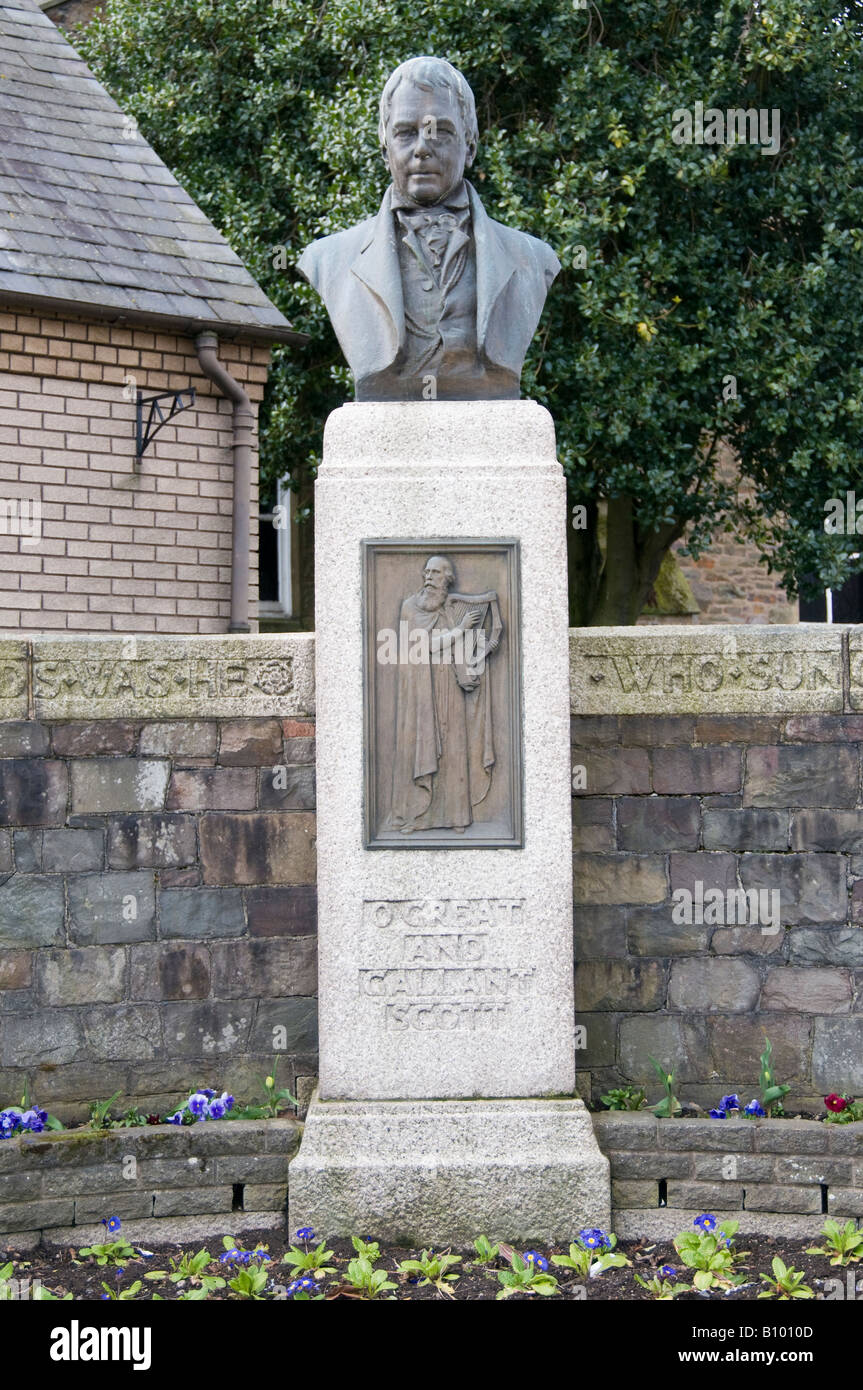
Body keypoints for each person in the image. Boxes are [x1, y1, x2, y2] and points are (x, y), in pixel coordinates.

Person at [297, 56, 560, 400]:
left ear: (470, 147)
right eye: (406, 133)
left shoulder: (533, 260)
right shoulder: (328, 259)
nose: (422, 148)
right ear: (384, 149)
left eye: (441, 132)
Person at [390, 554, 501, 833]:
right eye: (426, 572)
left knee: (453, 749)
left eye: (436, 573)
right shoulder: (410, 608)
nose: (429, 578)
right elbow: (424, 644)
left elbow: (462, 650)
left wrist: (471, 663)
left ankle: (455, 816)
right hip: (421, 694)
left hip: (450, 688)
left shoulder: (450, 611)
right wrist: (461, 630)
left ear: (447, 580)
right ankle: (416, 814)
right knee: (422, 746)